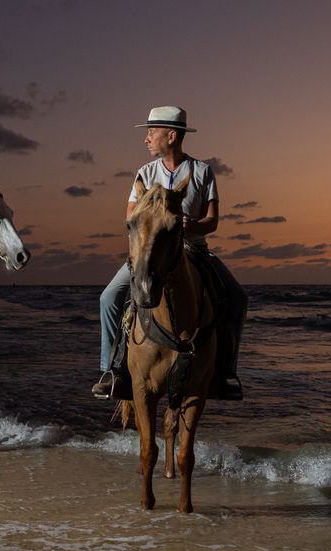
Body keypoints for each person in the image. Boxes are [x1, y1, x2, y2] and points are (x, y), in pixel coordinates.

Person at [93, 106, 246, 400]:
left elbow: (212, 221)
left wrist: (191, 225)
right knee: (108, 298)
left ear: (171, 136)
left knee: (238, 299)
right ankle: (113, 371)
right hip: (150, 253)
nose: (146, 139)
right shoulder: (145, 173)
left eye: (152, 132)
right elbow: (131, 218)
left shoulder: (202, 171)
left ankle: (225, 372)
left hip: (194, 250)